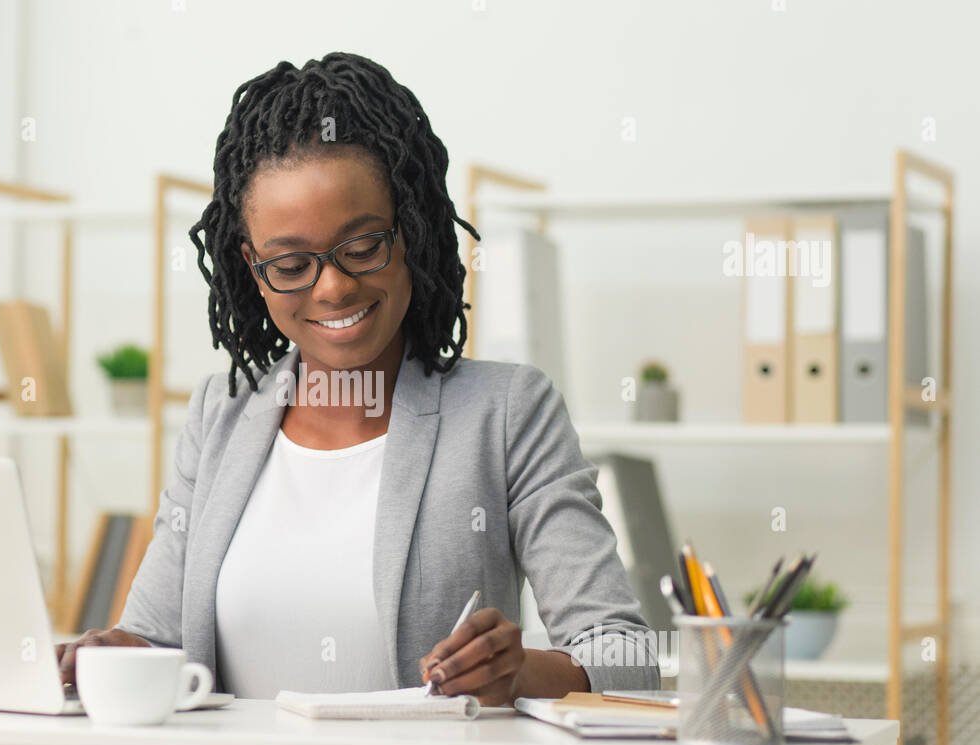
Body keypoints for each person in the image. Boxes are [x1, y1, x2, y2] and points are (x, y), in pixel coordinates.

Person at [56, 52, 658, 704]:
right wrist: (106, 652)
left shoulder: (506, 412)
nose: (334, 286)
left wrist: (523, 674)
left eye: (363, 246)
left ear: (413, 229)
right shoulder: (220, 416)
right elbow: (153, 636)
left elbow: (625, 655)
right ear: (252, 267)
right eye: (291, 263)